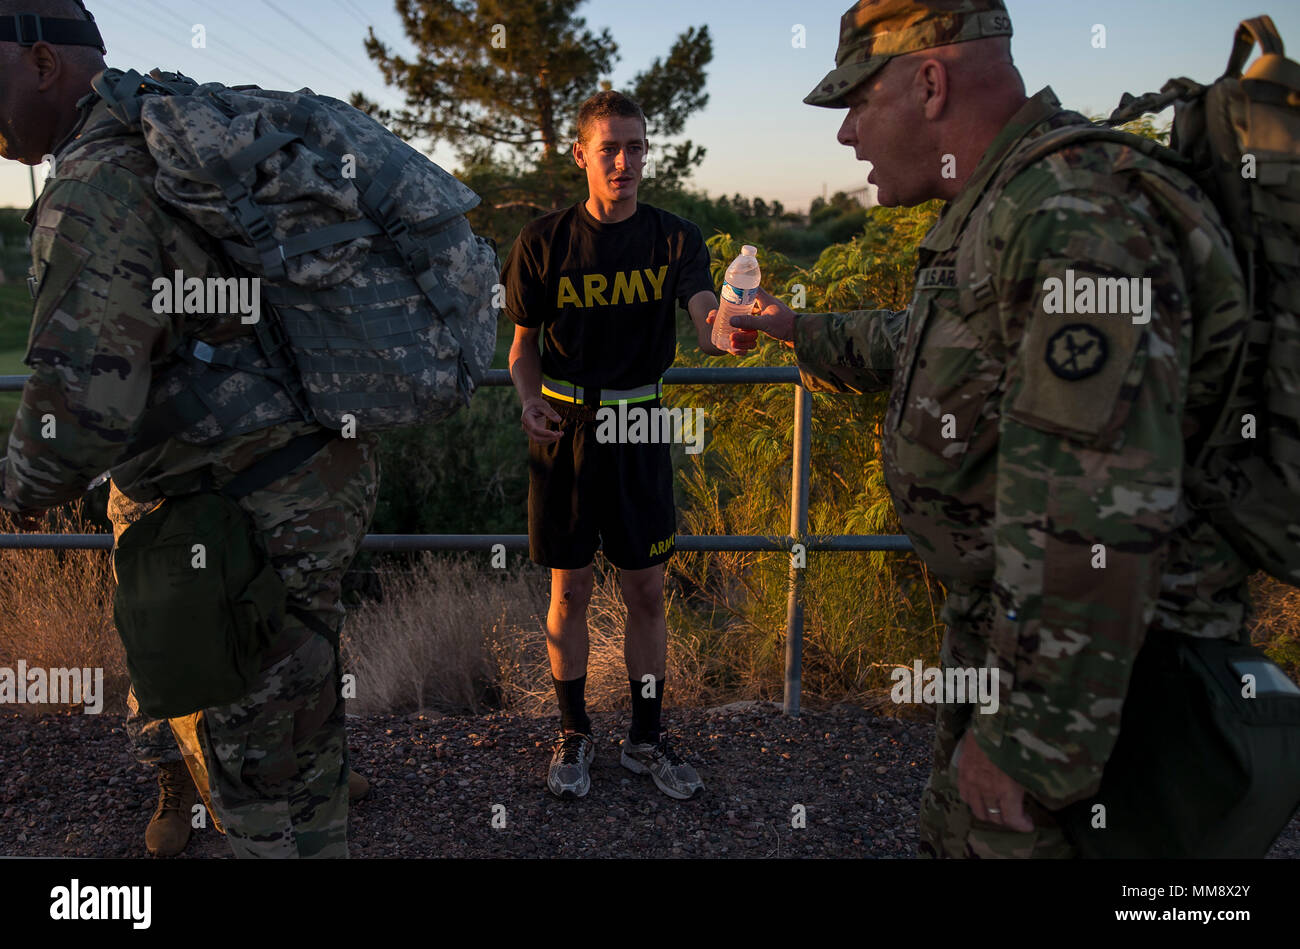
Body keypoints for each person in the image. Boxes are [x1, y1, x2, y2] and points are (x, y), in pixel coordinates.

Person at [730, 0, 1251, 857]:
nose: (847, 134)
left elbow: (1099, 511)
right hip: (1016, 649)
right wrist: (791, 325)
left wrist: (1023, 743)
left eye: (857, 101)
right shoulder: (1003, 207)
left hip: (1102, 696)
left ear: (930, 82)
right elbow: (921, 344)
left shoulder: (1069, 214)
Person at [0, 0, 378, 857]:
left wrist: (15, 487)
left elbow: (73, 423)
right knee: (302, 741)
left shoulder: (95, 184)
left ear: (43, 63)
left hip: (231, 522)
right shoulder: (172, 133)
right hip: (314, 476)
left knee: (252, 791)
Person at [504, 90, 722, 801]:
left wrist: (726, 326)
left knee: (648, 589)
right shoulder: (542, 242)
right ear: (581, 155)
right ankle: (573, 733)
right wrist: (530, 397)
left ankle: (646, 737)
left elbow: (703, 311)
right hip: (564, 427)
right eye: (610, 148)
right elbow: (521, 349)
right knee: (568, 589)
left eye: (636, 147)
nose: (625, 161)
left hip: (643, 423)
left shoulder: (676, 237)